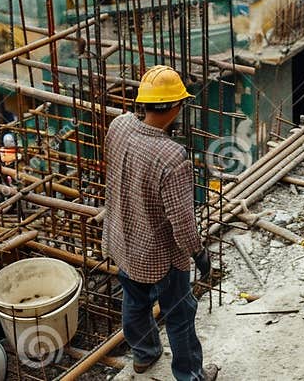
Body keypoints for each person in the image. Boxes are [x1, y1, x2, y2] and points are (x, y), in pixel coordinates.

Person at [103, 65, 219, 380]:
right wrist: (199, 253)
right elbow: (181, 223)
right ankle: (189, 375)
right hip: (160, 256)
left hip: (122, 240)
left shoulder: (119, 125)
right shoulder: (172, 156)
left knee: (135, 301)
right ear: (174, 107)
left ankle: (144, 355)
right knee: (180, 314)